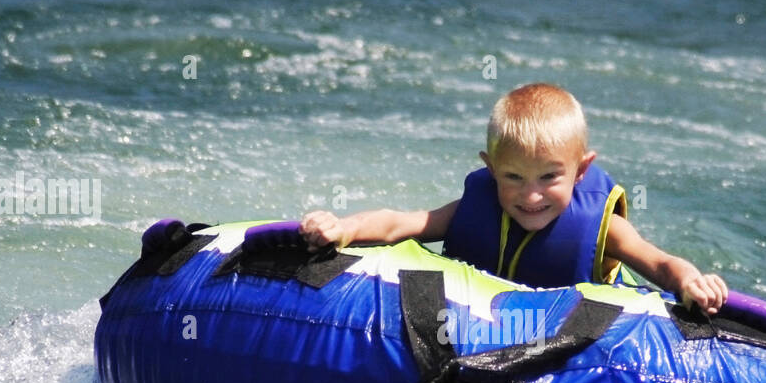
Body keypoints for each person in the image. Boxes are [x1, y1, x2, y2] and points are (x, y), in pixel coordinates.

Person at [299, 82, 728, 313]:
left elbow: (660, 263)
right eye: (513, 177)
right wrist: (344, 228)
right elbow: (400, 223)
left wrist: (691, 282)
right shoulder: (477, 208)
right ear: (490, 168)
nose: (532, 195)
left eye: (549, 177)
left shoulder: (601, 228)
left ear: (581, 170)